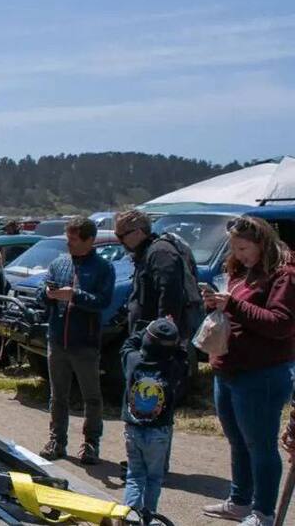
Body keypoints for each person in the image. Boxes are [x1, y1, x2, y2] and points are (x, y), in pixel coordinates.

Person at [201, 217, 295, 526]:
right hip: (229, 370)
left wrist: (233, 307)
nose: (238, 254)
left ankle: (263, 513)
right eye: (234, 248)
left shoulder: (284, 276)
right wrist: (215, 304)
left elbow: (280, 324)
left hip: (261, 375)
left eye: (243, 248)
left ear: (262, 243)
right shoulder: (242, 272)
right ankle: (240, 502)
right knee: (238, 441)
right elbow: (237, 314)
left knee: (261, 445)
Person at [38, 217, 115, 464]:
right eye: (67, 238)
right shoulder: (60, 263)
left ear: (89, 240)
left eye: (73, 239)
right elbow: (43, 294)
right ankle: (57, 441)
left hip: (85, 342)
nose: (68, 244)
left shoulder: (103, 268)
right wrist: (48, 293)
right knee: (57, 395)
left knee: (91, 397)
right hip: (58, 339)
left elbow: (103, 302)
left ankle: (91, 444)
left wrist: (75, 296)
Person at [121, 318, 187, 520]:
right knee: (154, 477)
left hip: (133, 429)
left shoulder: (132, 360)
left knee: (134, 475)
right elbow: (183, 354)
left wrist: (145, 329)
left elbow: (127, 344)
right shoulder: (173, 367)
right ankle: (148, 517)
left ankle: (130, 517)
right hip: (159, 432)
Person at [115, 209, 204, 340]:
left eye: (121, 236)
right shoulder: (146, 254)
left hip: (158, 339)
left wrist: (161, 334)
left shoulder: (160, 253)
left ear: (138, 232)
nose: (120, 241)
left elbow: (170, 295)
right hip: (146, 334)